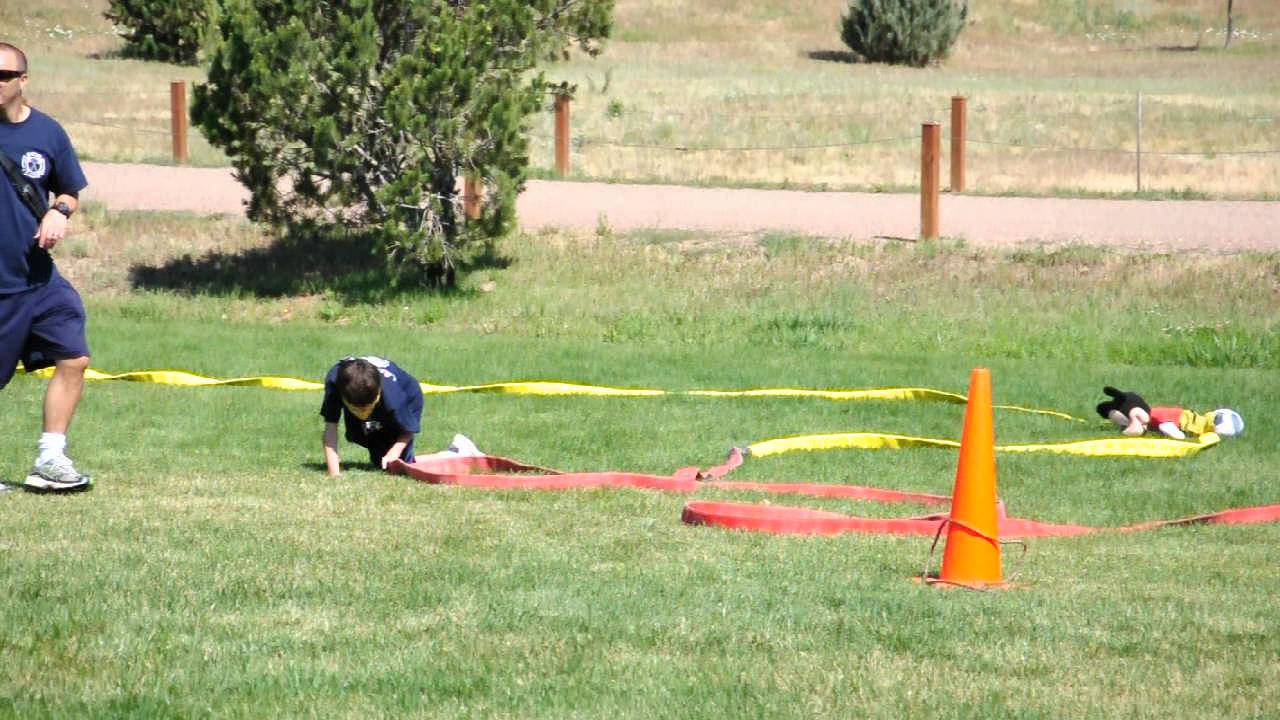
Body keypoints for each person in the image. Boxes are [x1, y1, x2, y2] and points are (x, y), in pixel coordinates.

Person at [0, 42, 92, 493]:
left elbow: (70, 190)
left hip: (38, 278)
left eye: (3, 75)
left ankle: (50, 460)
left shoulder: (47, 132)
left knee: (74, 356)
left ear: (23, 79)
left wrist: (60, 210)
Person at [321, 356, 425, 475]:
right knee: (357, 435)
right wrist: (334, 474)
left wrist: (394, 451)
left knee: (395, 463)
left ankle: (388, 439)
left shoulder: (394, 398)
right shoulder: (334, 383)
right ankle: (378, 437)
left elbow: (408, 429)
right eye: (357, 409)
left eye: (367, 408)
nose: (363, 413)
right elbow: (330, 427)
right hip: (363, 397)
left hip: (408, 396)